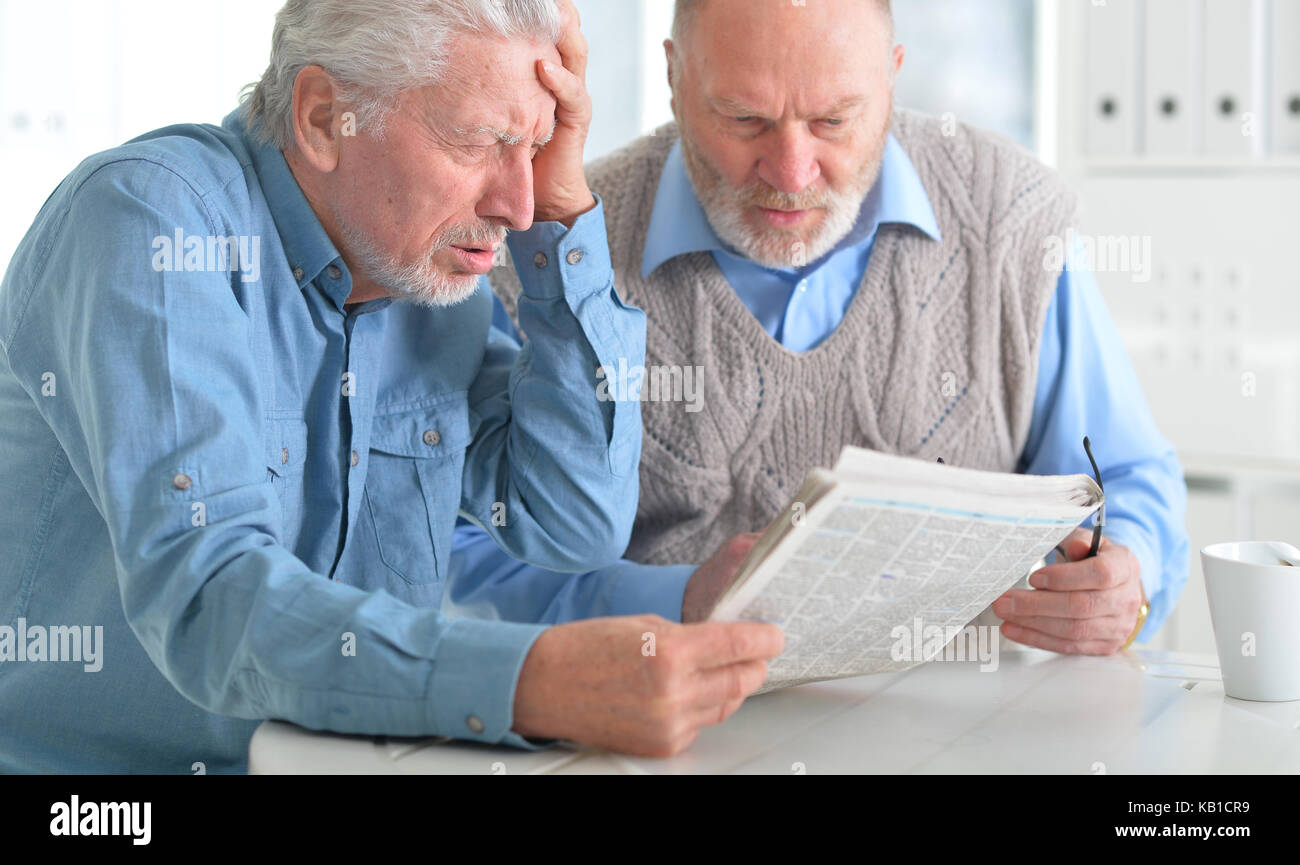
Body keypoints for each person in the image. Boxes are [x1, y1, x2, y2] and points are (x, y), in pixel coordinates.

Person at [0, 0, 782, 774]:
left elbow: (571, 523)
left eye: (537, 148)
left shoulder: (429, 286)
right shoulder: (152, 223)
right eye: (481, 141)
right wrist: (528, 683)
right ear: (321, 117)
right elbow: (211, 596)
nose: (516, 205)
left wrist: (565, 216)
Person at [472, 0, 1188, 656]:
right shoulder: (546, 250)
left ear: (893, 79)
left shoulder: (1013, 221)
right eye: (744, 119)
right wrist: (675, 601)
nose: (790, 172)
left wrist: (1129, 569)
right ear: (672, 76)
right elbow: (468, 555)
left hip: (970, 728)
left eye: (834, 120)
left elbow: (1124, 475)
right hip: (655, 734)